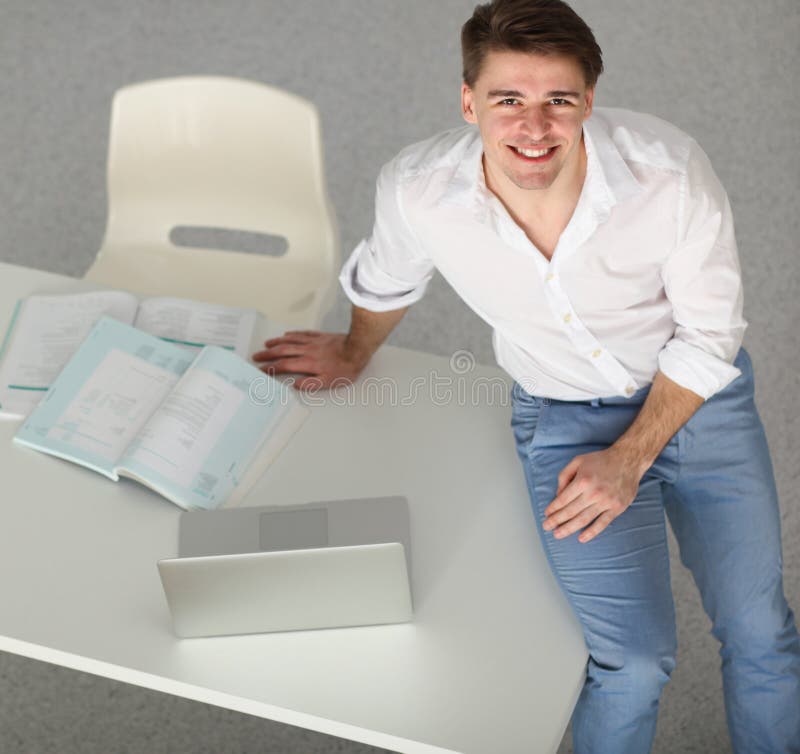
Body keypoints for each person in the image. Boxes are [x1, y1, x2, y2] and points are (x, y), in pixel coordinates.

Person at [252, 0, 800, 751]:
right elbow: (387, 281)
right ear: (469, 101)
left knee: (761, 631)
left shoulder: (668, 177)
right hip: (565, 417)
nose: (534, 127)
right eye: (509, 99)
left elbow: (709, 335)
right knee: (633, 663)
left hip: (702, 403)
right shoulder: (420, 190)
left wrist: (630, 459)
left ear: (589, 102)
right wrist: (353, 351)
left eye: (558, 101)